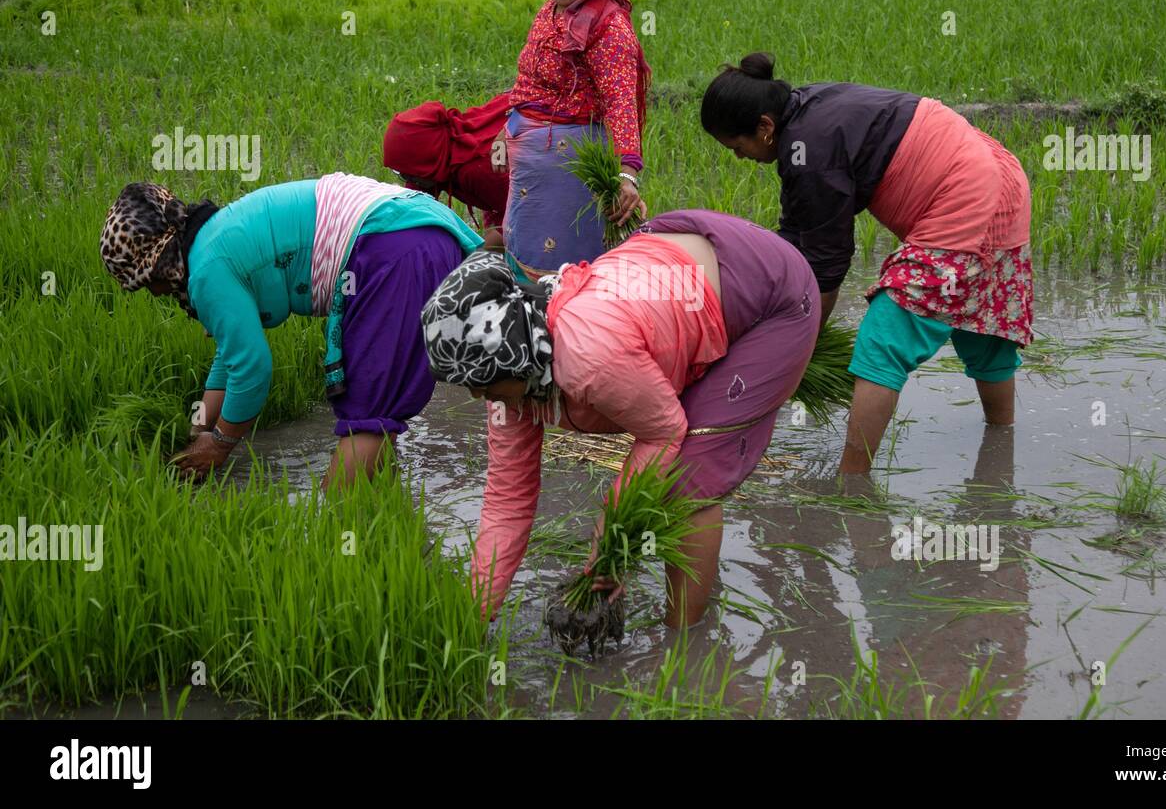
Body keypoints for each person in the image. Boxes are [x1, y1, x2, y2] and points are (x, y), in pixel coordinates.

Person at [422, 209, 820, 625]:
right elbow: (507, 502)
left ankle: (684, 644)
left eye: (483, 384)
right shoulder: (508, 381)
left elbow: (663, 433)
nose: (479, 395)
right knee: (668, 405)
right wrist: (471, 618)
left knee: (691, 481)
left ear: (513, 358)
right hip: (670, 269)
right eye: (469, 385)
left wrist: (610, 543)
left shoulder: (588, 358)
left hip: (767, 289)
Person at [700, 53, 1033, 472]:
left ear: (765, 127)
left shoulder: (809, 149)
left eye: (737, 146)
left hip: (966, 190)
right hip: (1002, 178)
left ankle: (851, 483)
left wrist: (799, 343)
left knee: (882, 338)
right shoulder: (809, 114)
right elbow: (800, 232)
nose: (739, 157)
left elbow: (826, 265)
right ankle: (1001, 446)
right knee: (981, 326)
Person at [99, 174, 483, 489]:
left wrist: (219, 445)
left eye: (145, 284)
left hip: (392, 248)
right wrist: (198, 427)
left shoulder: (206, 271)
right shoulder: (210, 241)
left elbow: (252, 369)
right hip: (414, 230)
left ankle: (335, 537)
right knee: (376, 416)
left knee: (368, 410)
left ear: (155, 266)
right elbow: (231, 356)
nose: (155, 293)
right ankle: (376, 504)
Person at [495, 0, 653, 278]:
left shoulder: (607, 27)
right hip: (530, 162)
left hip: (572, 166)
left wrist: (628, 174)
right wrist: (502, 132)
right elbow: (526, 80)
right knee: (523, 253)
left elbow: (620, 101)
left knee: (567, 270)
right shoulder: (548, 12)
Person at [382, 93, 511, 248]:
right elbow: (414, 207)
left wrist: (477, 257)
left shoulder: (476, 170)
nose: (409, 181)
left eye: (408, 175)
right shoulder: (441, 152)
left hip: (538, 175)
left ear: (427, 165)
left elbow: (523, 217)